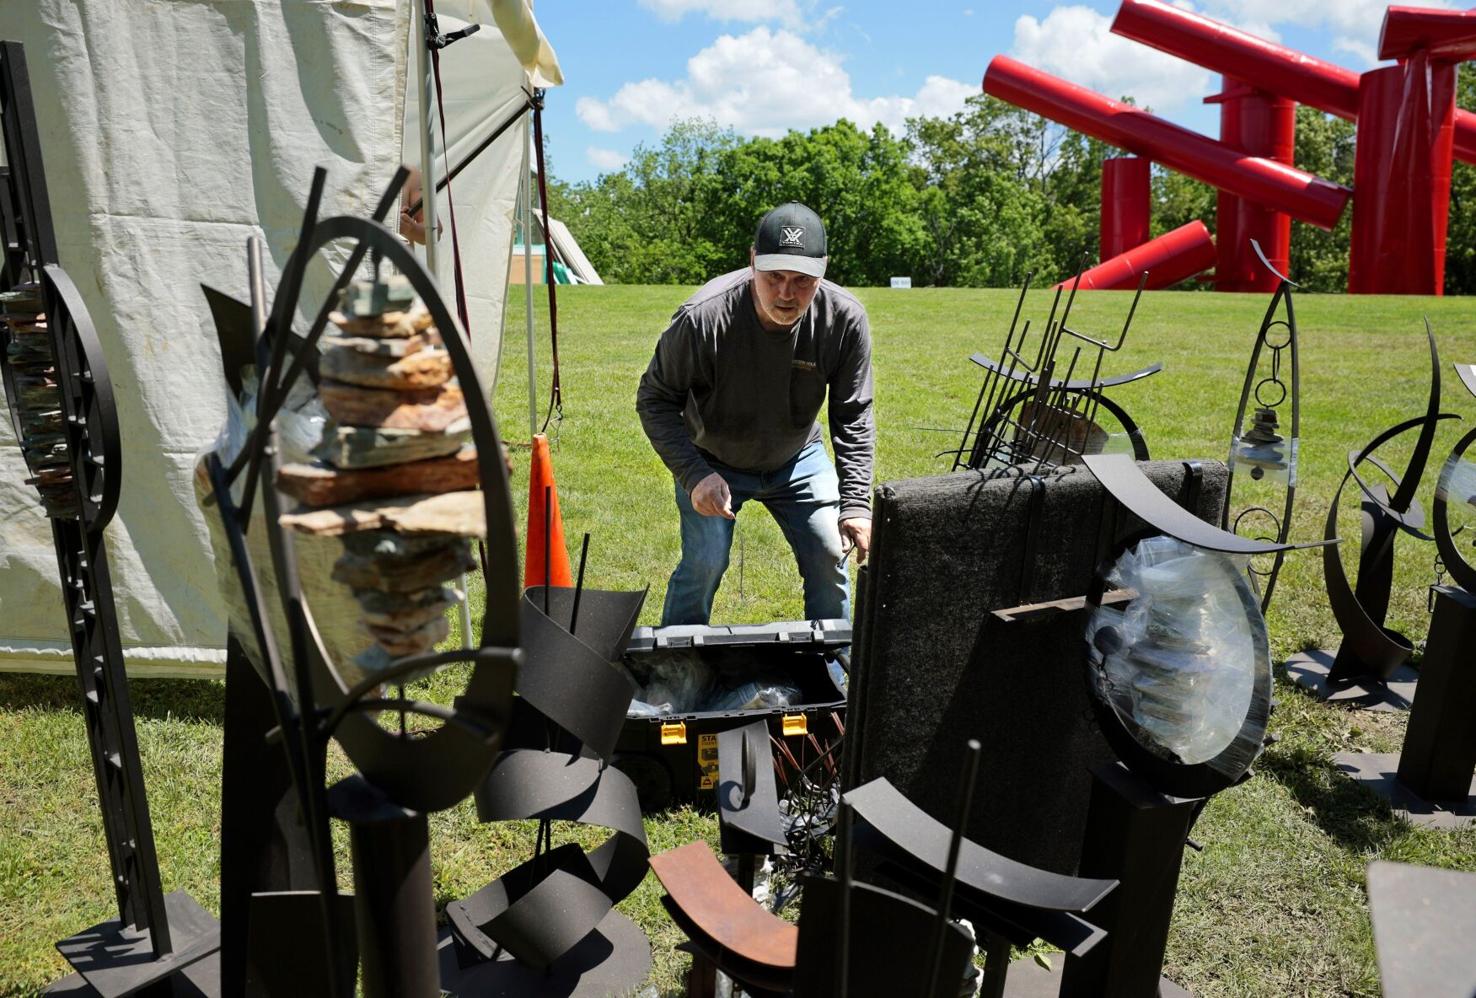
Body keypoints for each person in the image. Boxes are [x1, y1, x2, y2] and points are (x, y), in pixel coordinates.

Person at [637, 202, 874, 626]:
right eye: (774, 277)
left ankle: (832, 674)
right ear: (752, 262)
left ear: (823, 270)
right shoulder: (702, 318)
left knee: (828, 553)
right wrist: (694, 475)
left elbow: (852, 413)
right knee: (704, 563)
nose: (786, 293)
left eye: (802, 280)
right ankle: (674, 675)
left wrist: (856, 502)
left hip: (798, 456)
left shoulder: (845, 319)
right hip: (712, 458)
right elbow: (655, 399)